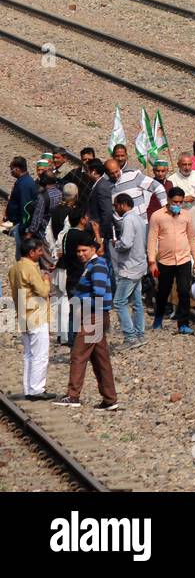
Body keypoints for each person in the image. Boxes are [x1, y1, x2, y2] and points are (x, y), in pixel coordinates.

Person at [55, 239, 118, 409]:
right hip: (95, 314)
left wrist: (79, 299)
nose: (80, 254)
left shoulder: (96, 266)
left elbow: (98, 292)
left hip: (94, 315)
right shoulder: (93, 265)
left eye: (84, 250)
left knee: (78, 354)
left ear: (92, 249)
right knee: (100, 359)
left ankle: (73, 395)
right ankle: (110, 399)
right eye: (78, 251)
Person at [148, 186, 195, 334]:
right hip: (165, 261)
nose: (177, 205)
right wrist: (152, 261)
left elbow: (191, 237)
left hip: (184, 259)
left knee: (184, 291)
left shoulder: (186, 215)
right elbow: (152, 239)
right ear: (169, 200)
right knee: (163, 292)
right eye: (175, 202)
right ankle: (158, 318)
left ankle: (183, 323)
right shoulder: (157, 216)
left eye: (180, 202)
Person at [9, 238, 53, 399]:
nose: (41, 253)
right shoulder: (30, 268)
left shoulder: (14, 268)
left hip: (23, 314)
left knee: (29, 354)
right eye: (39, 250)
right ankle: (37, 390)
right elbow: (42, 291)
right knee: (40, 354)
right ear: (31, 252)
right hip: (36, 314)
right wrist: (46, 281)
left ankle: (29, 388)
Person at [108, 193, 148, 346]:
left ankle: (130, 337)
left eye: (116, 206)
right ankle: (139, 333)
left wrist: (116, 243)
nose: (115, 209)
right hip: (139, 264)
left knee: (119, 302)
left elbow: (126, 243)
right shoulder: (138, 218)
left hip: (129, 268)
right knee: (137, 302)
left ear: (124, 204)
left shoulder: (128, 220)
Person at [7, 156, 38, 259]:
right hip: (19, 223)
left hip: (21, 225)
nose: (11, 171)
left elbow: (26, 208)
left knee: (20, 256)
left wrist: (24, 228)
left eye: (11, 168)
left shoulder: (24, 184)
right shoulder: (24, 181)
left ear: (17, 169)